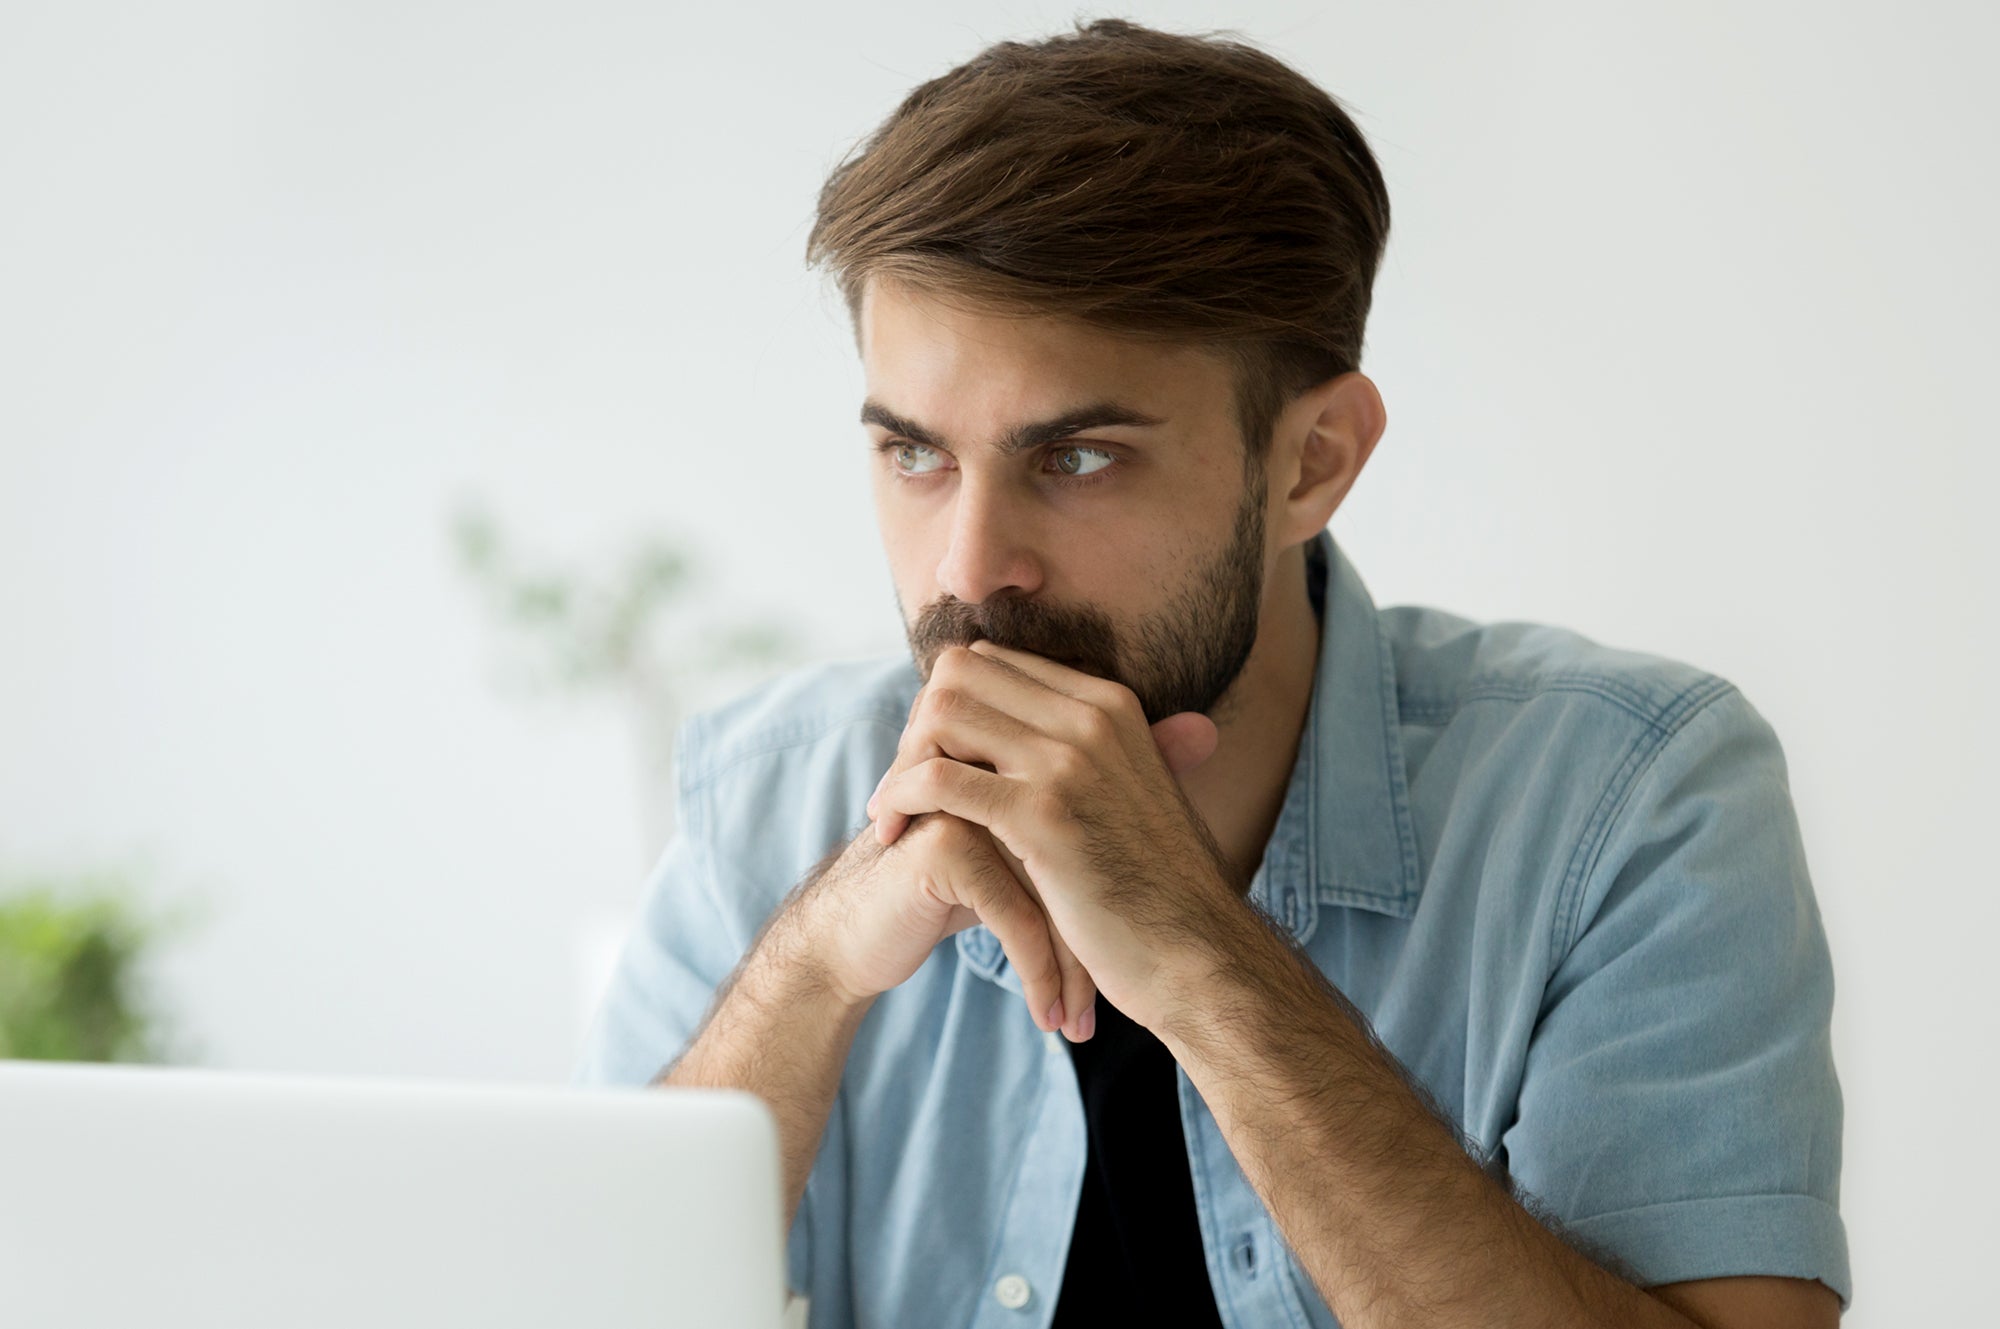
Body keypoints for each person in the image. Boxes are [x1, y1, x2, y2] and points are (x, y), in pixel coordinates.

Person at [574, 18, 1849, 1328]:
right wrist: (806, 975)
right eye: (914, 453)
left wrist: (1199, 954)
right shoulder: (773, 800)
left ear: (1313, 462)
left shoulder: (1628, 803)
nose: (970, 568)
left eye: (1075, 458)